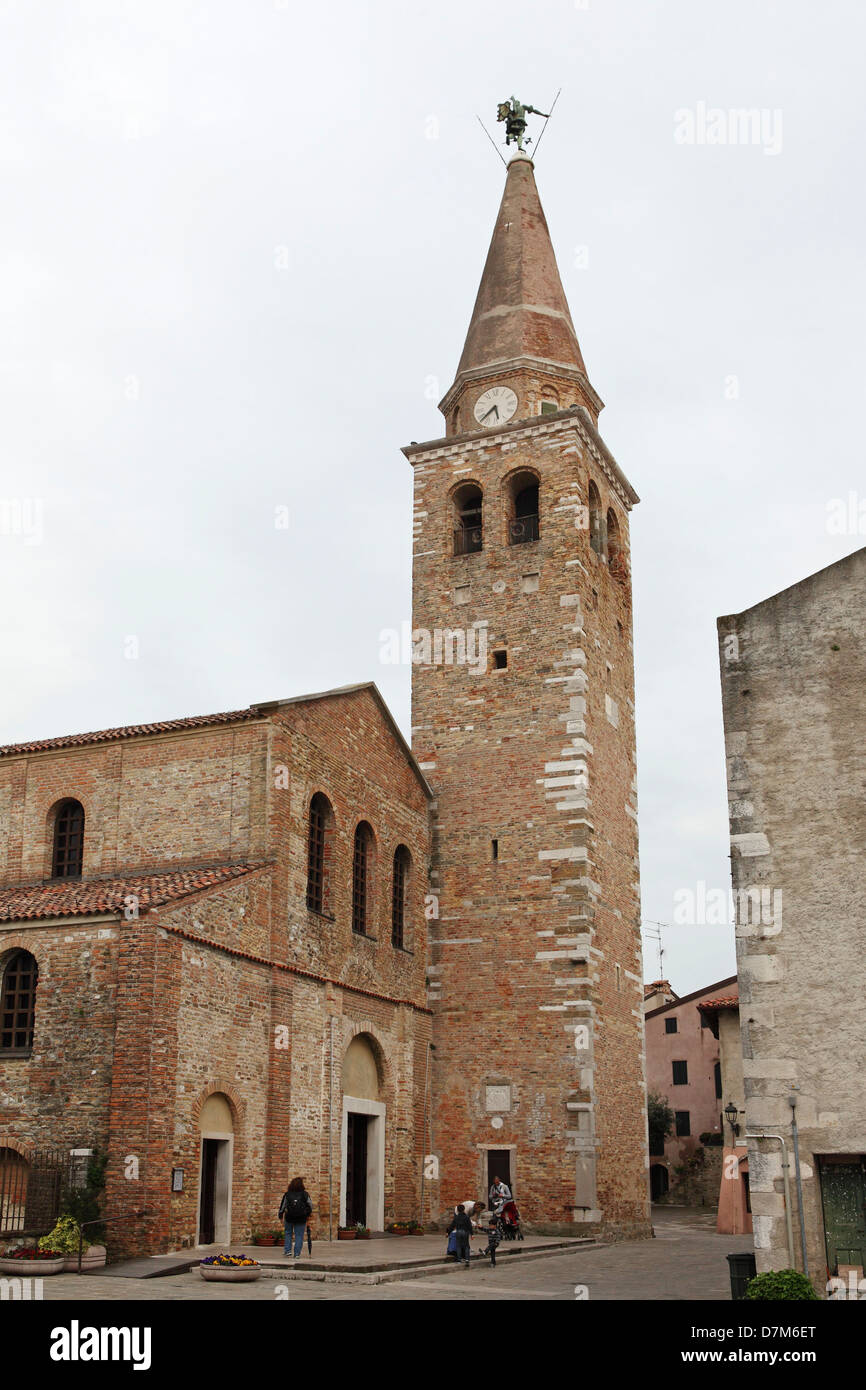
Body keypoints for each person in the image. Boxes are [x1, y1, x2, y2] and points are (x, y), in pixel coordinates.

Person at [279, 1176, 313, 1258]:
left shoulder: (287, 1194)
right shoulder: (305, 1194)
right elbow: (310, 1205)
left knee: (288, 1233)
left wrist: (280, 1215)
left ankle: (287, 1251)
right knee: (299, 1235)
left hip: (289, 1217)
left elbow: (283, 1206)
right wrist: (308, 1214)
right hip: (301, 1217)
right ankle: (297, 1254)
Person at [447, 1203, 473, 1268]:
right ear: (464, 1210)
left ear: (458, 1210)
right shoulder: (467, 1217)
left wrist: (448, 1232)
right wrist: (472, 1234)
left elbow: (452, 1225)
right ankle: (467, 1259)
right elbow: (469, 1226)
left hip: (458, 1232)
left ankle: (459, 1259)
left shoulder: (457, 1217)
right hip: (465, 1232)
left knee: (458, 1246)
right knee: (466, 1246)